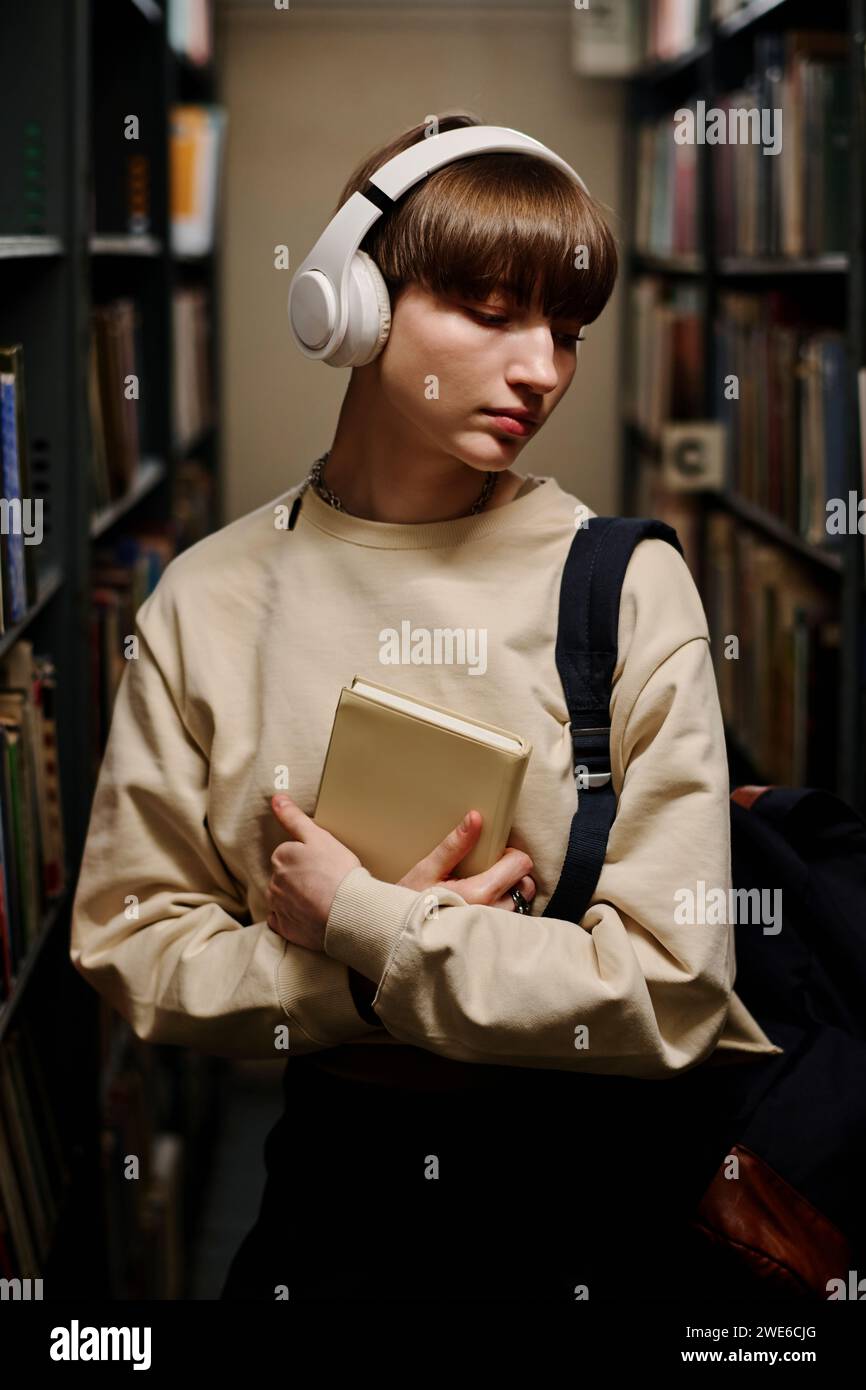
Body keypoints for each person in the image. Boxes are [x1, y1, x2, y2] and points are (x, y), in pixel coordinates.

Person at [70, 111, 783, 1303]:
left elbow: (671, 988)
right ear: (347, 303)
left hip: (589, 1188)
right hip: (330, 1182)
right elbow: (132, 941)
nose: (541, 369)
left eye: (563, 329)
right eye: (493, 314)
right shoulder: (207, 597)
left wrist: (364, 925)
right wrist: (357, 988)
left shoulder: (621, 582)